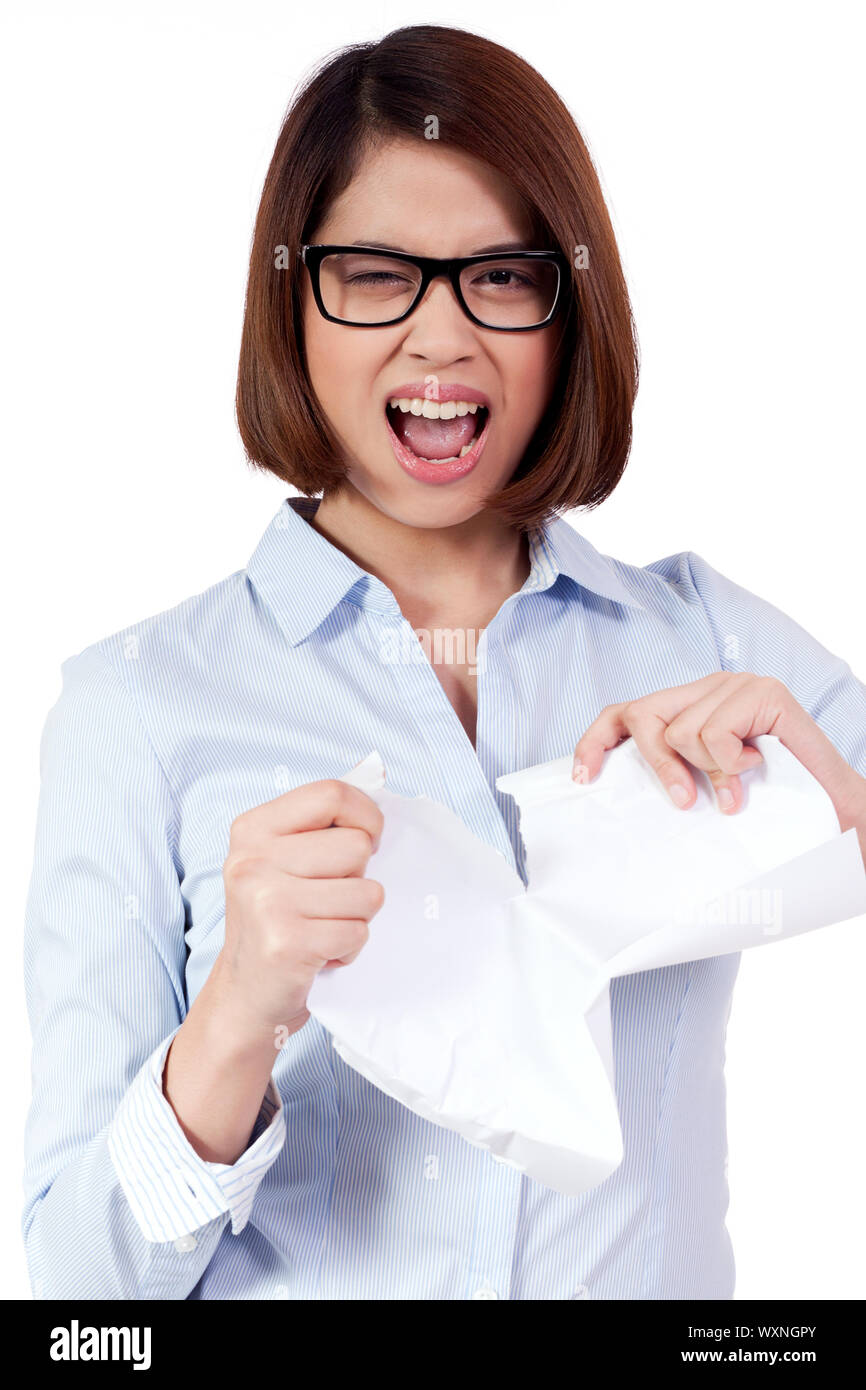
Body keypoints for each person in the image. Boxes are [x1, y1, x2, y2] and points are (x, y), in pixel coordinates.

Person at [22, 24, 866, 1301]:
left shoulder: (705, 640)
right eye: (373, 275)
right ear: (292, 297)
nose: (439, 338)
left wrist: (822, 777)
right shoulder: (134, 709)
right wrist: (236, 1016)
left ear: (565, 311)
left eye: (503, 278)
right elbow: (78, 1307)